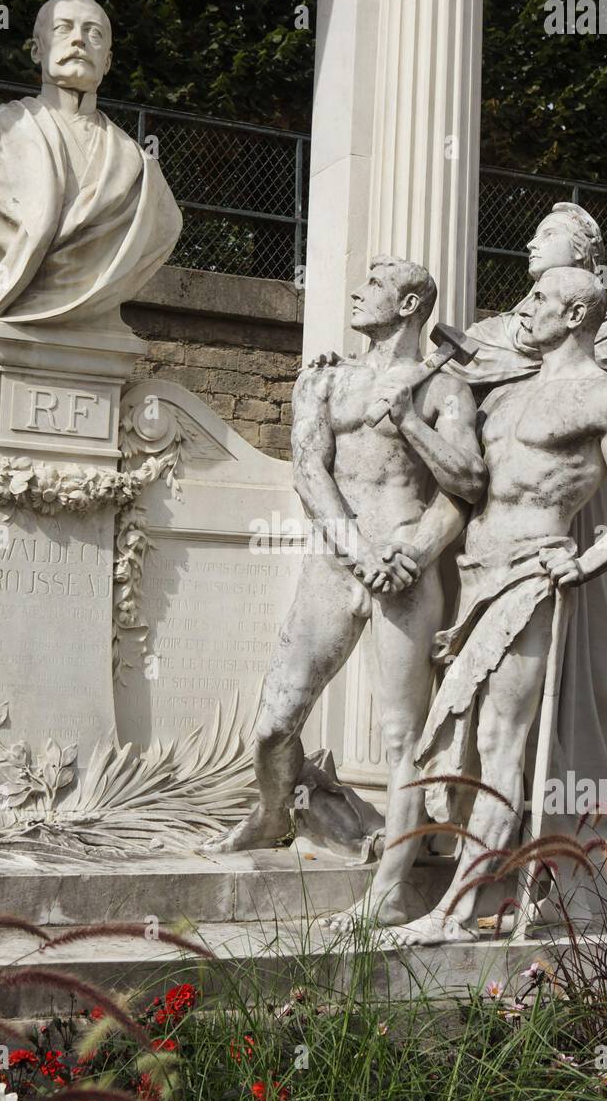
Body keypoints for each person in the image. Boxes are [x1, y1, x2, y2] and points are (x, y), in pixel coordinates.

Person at [199, 256, 487, 930]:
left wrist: (413, 552)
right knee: (274, 721)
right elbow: (309, 472)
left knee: (400, 738)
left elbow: (466, 486)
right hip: (339, 563)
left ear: (411, 303)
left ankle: (387, 892)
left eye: (376, 286)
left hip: (406, 571)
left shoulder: (445, 390)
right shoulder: (323, 379)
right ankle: (276, 813)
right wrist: (359, 552)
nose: (357, 291)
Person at [387, 267, 607, 946]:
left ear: (573, 314)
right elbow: (470, 479)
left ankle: (455, 908)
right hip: (477, 575)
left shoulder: (600, 397)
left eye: (539, 298)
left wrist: (586, 560)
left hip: (531, 578)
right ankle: (499, 887)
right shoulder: (509, 396)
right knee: (461, 744)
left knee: (496, 744)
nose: (525, 306)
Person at [0, 0, 182, 355]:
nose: (79, 39)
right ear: (38, 49)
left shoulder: (143, 172)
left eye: (94, 33)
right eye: (64, 28)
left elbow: (164, 228)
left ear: (108, 61)